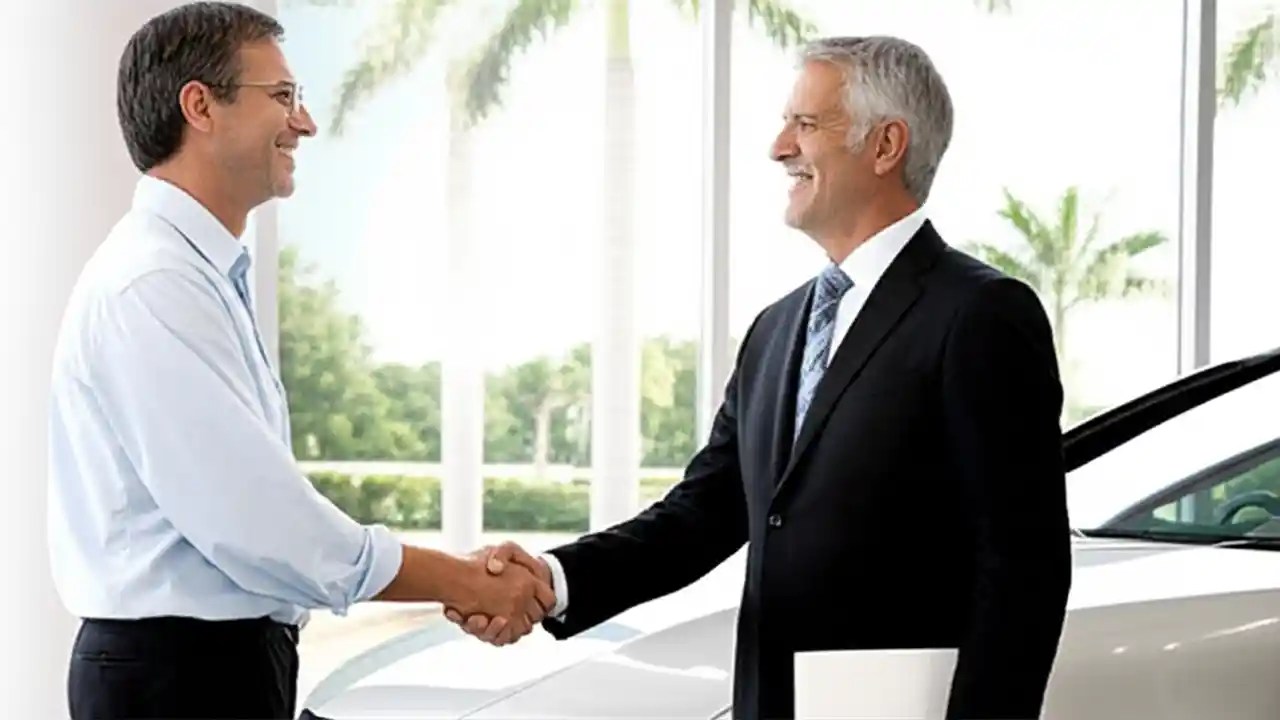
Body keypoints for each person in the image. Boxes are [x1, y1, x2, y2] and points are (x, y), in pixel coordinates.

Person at [446, 35, 1073, 720]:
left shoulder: (981, 314)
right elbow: (702, 515)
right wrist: (554, 579)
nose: (779, 147)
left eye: (805, 124)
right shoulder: (777, 329)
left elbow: (1022, 568)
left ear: (886, 145)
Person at [47, 4, 552, 719]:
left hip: (207, 668)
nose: (305, 123)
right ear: (201, 106)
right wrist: (460, 580)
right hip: (178, 680)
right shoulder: (153, 286)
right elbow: (258, 521)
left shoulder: (192, 277)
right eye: (282, 97)